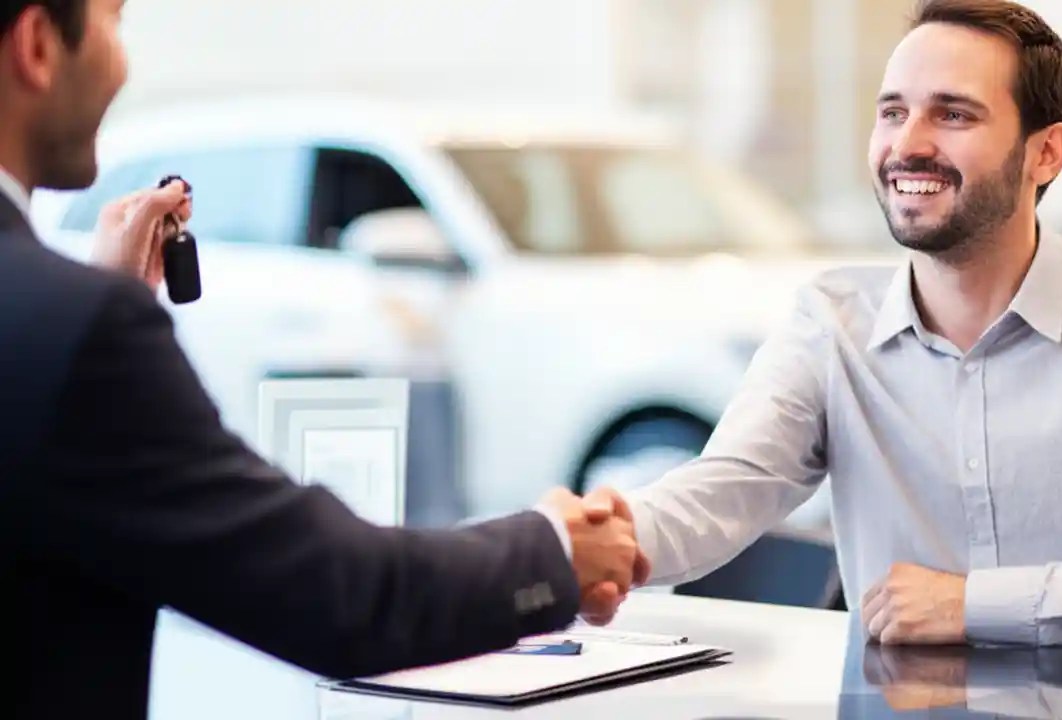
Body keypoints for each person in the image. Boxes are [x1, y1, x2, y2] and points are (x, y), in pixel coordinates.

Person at [0, 1, 644, 717]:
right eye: (116, 22)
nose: (125, 64)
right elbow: (342, 594)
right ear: (36, 45)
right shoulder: (79, 330)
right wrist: (553, 554)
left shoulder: (62, 323)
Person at [589, 0, 1062, 646]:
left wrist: (974, 603)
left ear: (1047, 153)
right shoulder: (830, 324)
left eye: (952, 115)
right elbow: (722, 494)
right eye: (892, 113)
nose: (908, 145)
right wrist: (589, 542)